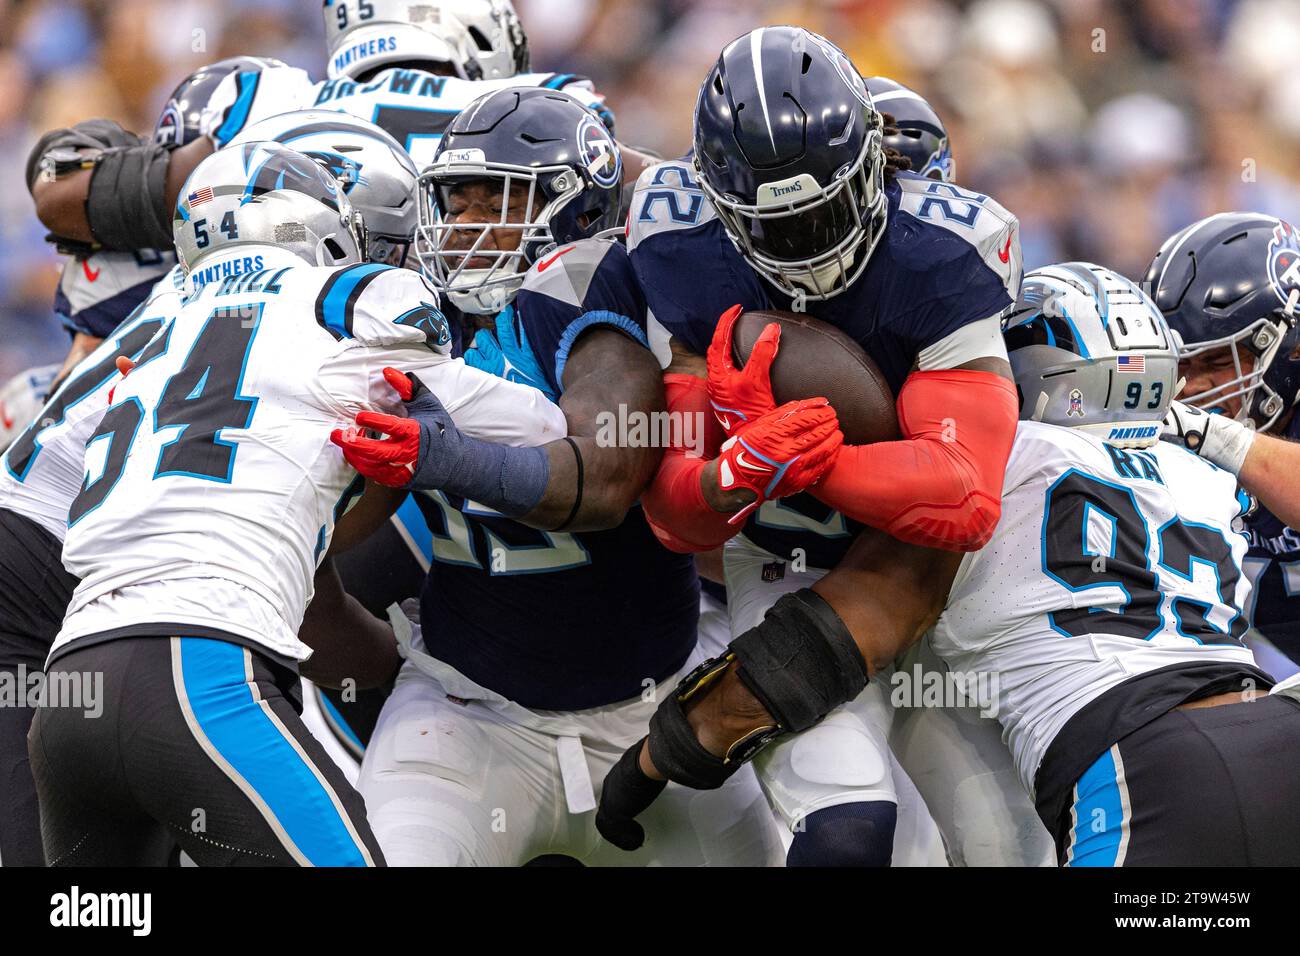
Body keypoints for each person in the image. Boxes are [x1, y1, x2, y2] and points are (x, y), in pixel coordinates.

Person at [602, 262, 1300, 866]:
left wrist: (653, 758)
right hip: (1273, 727)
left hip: (1150, 770)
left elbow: (810, 655)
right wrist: (1220, 435)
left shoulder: (991, 470)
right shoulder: (1207, 478)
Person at [27, 141, 566, 866]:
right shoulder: (346, 304)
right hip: (195, 673)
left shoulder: (154, 329)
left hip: (70, 689)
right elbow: (540, 427)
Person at [333, 87, 784, 865]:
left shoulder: (587, 281)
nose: (467, 228)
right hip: (467, 712)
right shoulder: (408, 313)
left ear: (575, 214)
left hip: (655, 719)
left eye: (497, 203)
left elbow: (606, 478)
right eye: (455, 203)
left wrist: (448, 456)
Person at [620, 26, 1027, 866]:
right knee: (850, 833)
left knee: (1001, 845)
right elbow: (674, 514)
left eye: (825, 212)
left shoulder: (941, 255)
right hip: (787, 562)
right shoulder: (680, 244)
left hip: (938, 576)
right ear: (722, 205)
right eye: (781, 226)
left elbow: (964, 497)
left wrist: (816, 460)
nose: (809, 246)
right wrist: (738, 470)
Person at [1145, 213, 1300, 670]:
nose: (1188, 387)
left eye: (1215, 359)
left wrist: (1218, 439)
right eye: (1178, 364)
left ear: (1291, 346)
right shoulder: (1156, 437)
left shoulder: (1200, 432)